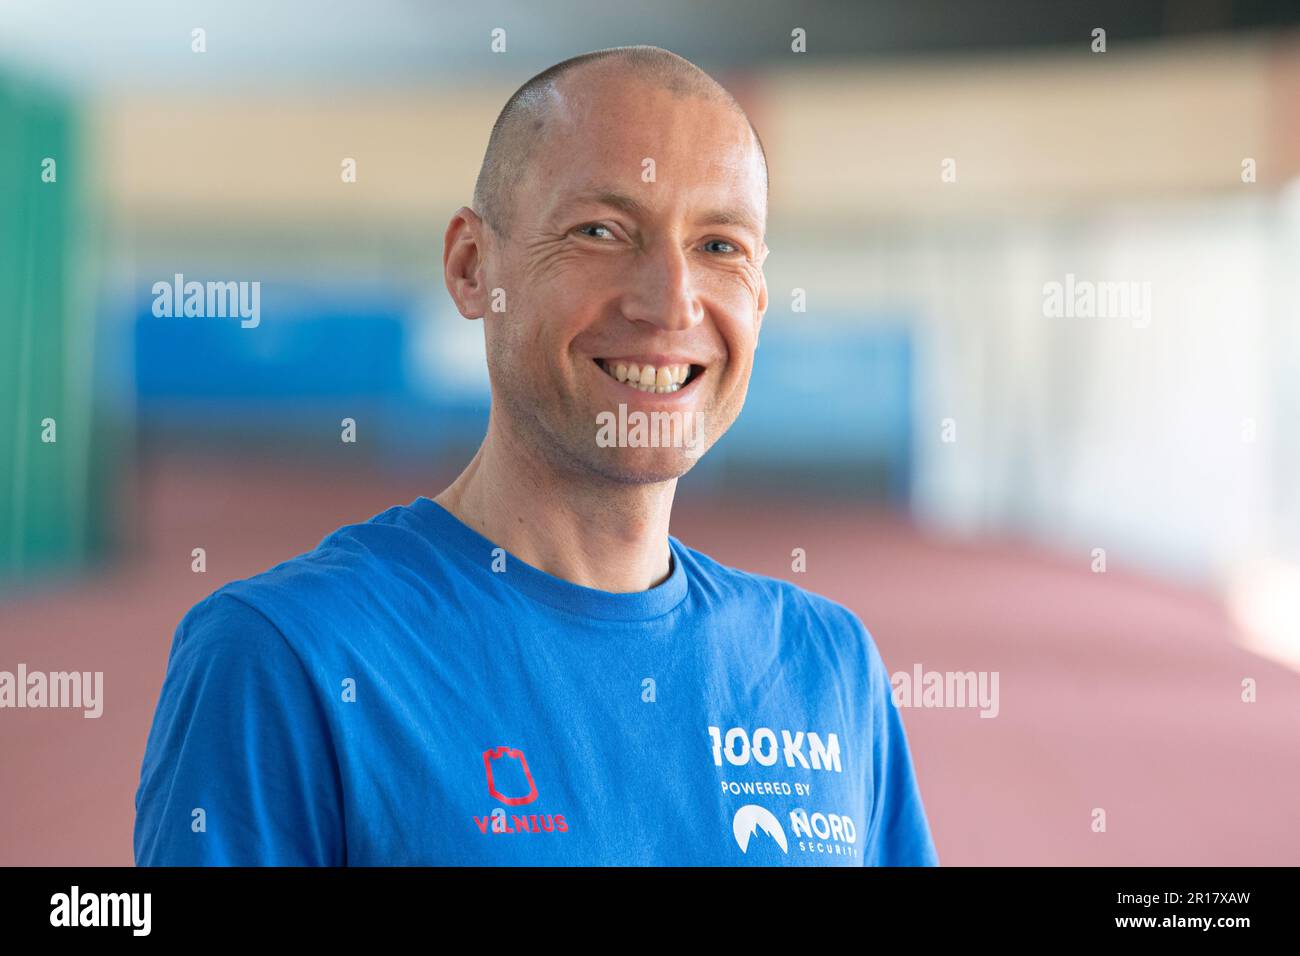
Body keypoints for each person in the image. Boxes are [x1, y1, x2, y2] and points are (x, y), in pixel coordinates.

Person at [133, 44, 939, 866]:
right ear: (472, 266)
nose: (669, 301)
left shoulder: (829, 668)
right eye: (601, 231)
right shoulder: (285, 657)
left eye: (720, 246)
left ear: (759, 300)